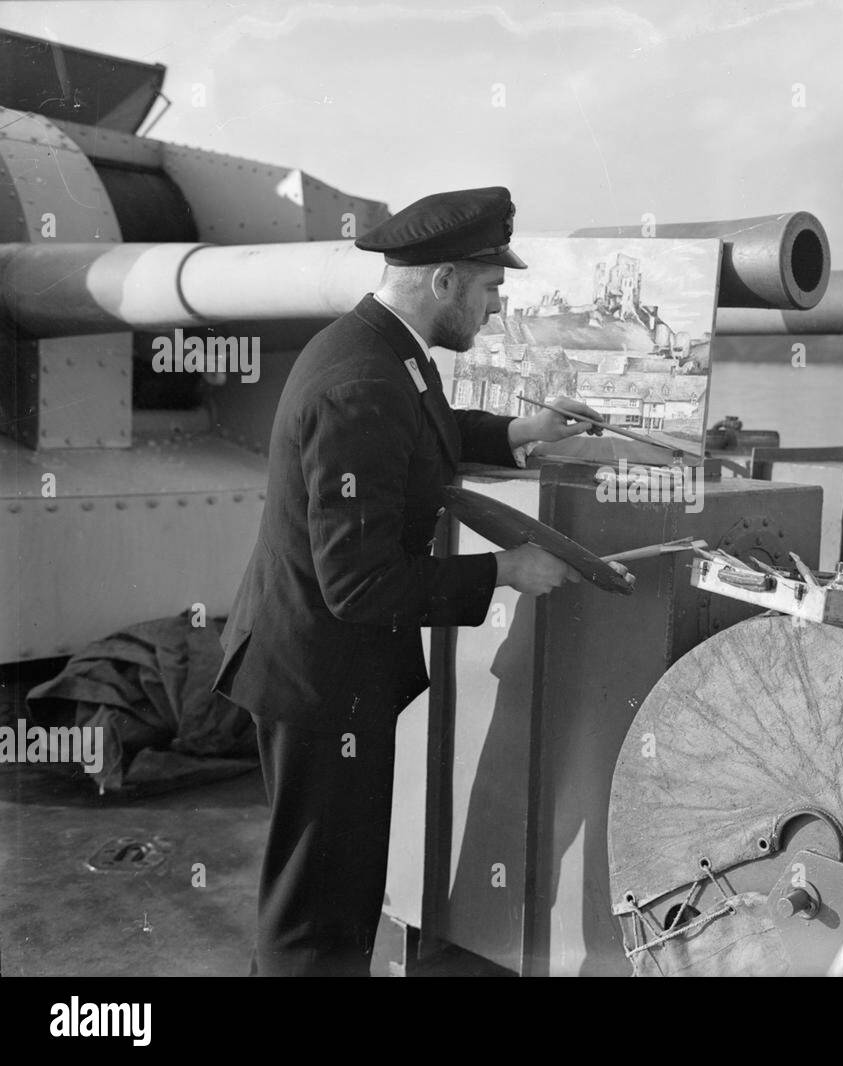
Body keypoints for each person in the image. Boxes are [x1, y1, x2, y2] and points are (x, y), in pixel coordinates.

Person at [211, 186, 607, 976]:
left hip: (333, 671)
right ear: (445, 281)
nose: (496, 309)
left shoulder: (385, 353)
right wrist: (503, 571)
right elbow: (357, 586)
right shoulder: (361, 381)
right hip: (320, 680)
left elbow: (427, 430)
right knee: (317, 917)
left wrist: (521, 432)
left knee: (336, 894)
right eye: (492, 288)